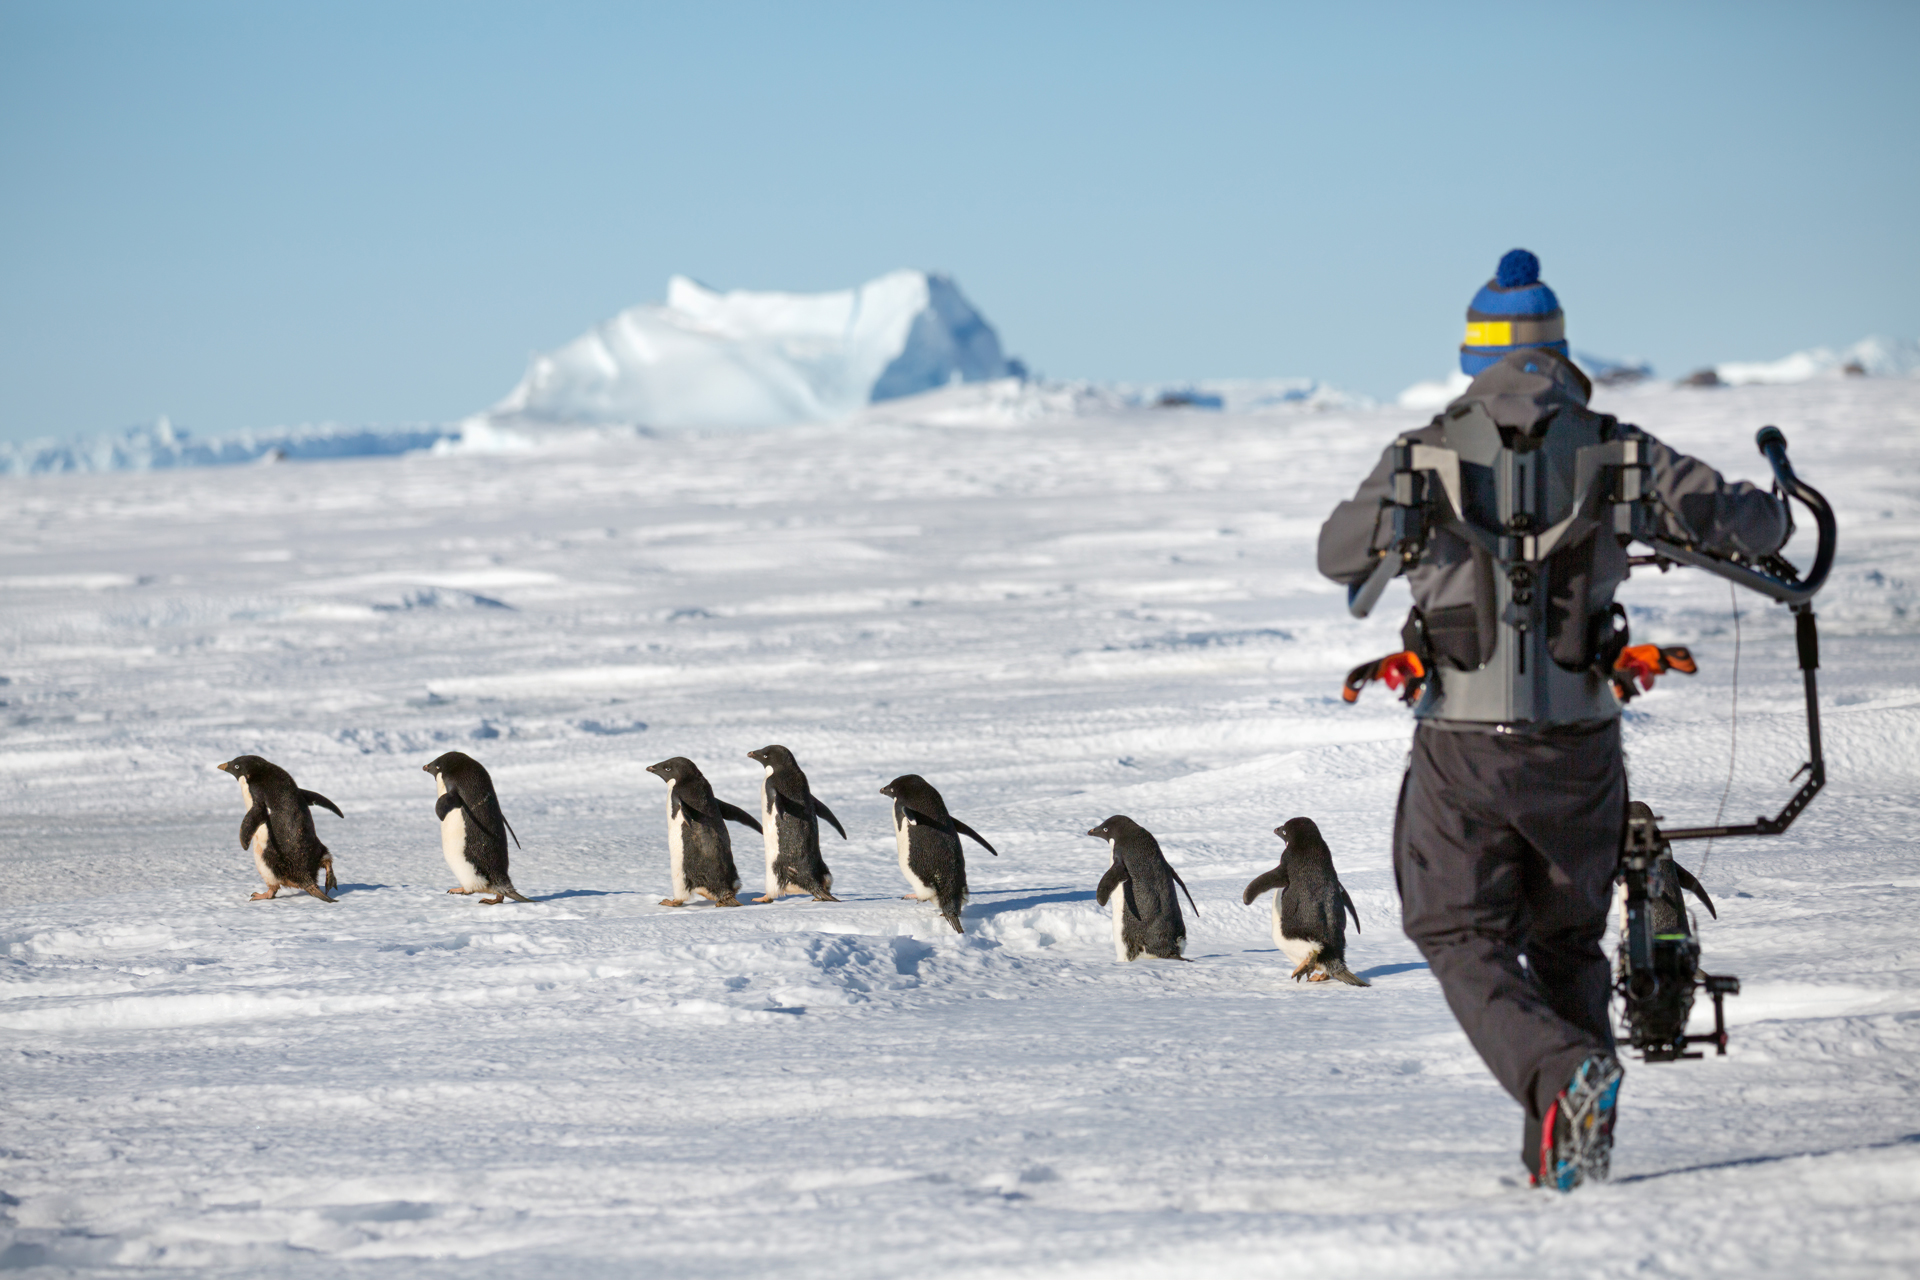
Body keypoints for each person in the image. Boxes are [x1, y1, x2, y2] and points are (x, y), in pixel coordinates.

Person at [1317, 250, 1790, 1191]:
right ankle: (1569, 1149)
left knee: (1455, 930)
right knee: (1567, 938)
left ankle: (1562, 1075)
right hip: (1582, 746)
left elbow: (1339, 555)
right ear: (1560, 348)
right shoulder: (1622, 448)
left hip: (1463, 749)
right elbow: (1757, 530)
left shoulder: (1423, 452)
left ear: (1474, 351)